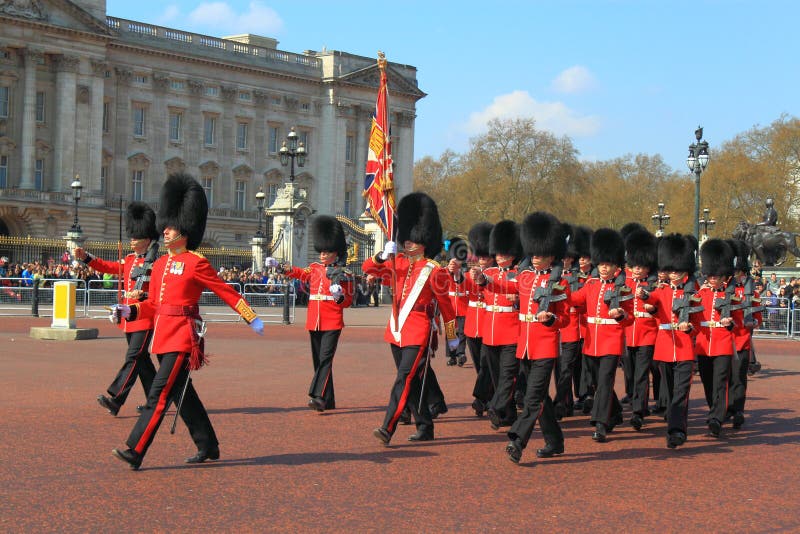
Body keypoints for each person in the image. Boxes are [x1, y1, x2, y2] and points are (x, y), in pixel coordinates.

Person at [108, 173, 264, 470]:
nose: (164, 231)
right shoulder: (162, 263)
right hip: (163, 336)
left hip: (182, 336)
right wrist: (130, 312)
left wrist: (250, 316)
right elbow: (153, 304)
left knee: (159, 393)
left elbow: (224, 290)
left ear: (185, 230)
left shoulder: (197, 262)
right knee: (183, 394)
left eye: (171, 227)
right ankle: (208, 445)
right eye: (165, 226)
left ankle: (135, 449)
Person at [363, 192, 458, 445]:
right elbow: (367, 269)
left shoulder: (434, 270)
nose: (407, 242)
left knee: (403, 377)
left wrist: (453, 342)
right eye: (406, 237)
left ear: (424, 240)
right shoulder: (398, 263)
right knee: (412, 381)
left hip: (419, 330)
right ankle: (425, 426)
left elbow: (447, 308)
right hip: (396, 329)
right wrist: (382, 256)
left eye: (413, 238)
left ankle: (388, 426)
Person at [480, 212, 569, 464]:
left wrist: (551, 319)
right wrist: (484, 279)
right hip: (525, 346)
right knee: (541, 398)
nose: (536, 257)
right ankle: (555, 441)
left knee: (532, 399)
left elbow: (565, 319)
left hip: (545, 347)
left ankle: (517, 441)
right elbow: (507, 286)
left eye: (541, 254)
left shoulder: (560, 282)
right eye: (534, 253)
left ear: (552, 254)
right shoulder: (526, 275)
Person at [74, 202, 160, 417]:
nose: (132, 240)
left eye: (136, 236)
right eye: (132, 236)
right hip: (128, 318)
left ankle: (116, 398)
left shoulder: (157, 262)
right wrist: (86, 257)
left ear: (147, 238)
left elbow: (160, 291)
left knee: (133, 357)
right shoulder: (130, 260)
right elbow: (107, 267)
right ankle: (156, 401)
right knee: (142, 363)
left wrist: (144, 295)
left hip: (146, 317)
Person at [267, 215, 353, 412]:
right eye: (321, 251)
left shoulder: (343, 273)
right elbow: (299, 273)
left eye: (326, 252)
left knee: (325, 360)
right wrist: (278, 266)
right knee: (319, 361)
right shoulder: (314, 268)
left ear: (335, 253)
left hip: (332, 321)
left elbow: (347, 302)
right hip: (314, 320)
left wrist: (339, 296)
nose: (322, 255)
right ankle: (328, 400)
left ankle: (318, 396)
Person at [638, 234, 702, 448]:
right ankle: (675, 425)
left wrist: (690, 328)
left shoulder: (694, 291)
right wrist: (644, 298)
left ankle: (676, 431)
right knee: (669, 391)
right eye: (671, 270)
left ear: (686, 270)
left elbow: (699, 321)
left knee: (681, 393)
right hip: (665, 347)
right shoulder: (662, 289)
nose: (673, 274)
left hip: (684, 348)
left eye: (678, 271)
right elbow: (653, 299)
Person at [569, 228, 633, 443]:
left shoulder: (622, 288)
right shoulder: (591, 285)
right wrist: (559, 289)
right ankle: (614, 414)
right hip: (591, 342)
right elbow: (575, 299)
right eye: (601, 264)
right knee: (597, 383)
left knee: (605, 383)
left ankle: (600, 423)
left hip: (611, 342)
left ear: (616, 266)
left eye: (608, 264)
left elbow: (630, 318)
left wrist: (621, 314)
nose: (604, 268)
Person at [471, 220, 522, 431]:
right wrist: (458, 277)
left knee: (508, 376)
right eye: (498, 252)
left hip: (511, 332)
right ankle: (508, 415)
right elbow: (472, 290)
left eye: (504, 252)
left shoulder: (520, 273)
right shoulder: (490, 273)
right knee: (496, 375)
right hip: (490, 332)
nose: (499, 256)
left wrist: (517, 299)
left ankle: (497, 406)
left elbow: (514, 288)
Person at [694, 239, 741, 438]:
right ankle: (714, 409)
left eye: (717, 276)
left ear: (724, 276)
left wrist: (729, 323)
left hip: (722, 343)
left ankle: (716, 418)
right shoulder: (700, 294)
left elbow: (738, 322)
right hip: (703, 343)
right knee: (707, 382)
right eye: (711, 275)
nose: (713, 279)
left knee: (720, 381)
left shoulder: (733, 295)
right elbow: (695, 318)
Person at [622, 228, 659, 431]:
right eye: (634, 265)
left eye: (641, 266)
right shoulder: (624, 281)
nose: (637, 269)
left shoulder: (653, 284)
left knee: (642, 374)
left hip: (647, 332)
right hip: (628, 332)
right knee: (629, 372)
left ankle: (638, 411)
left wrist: (652, 308)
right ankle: (636, 400)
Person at [554, 224, 591, 420]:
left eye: (568, 257)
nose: (565, 261)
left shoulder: (581, 276)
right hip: (561, 327)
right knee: (562, 367)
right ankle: (564, 402)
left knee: (579, 367)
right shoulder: (554, 275)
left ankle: (584, 396)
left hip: (579, 326)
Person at [726, 239, 762, 429]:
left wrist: (754, 321)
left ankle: (737, 409)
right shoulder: (724, 289)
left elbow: (756, 314)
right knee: (724, 377)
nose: (736, 275)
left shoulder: (750, 290)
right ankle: (726, 408)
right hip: (725, 339)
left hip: (741, 340)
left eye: (738, 272)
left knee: (739, 377)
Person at [444, 237, 469, 367]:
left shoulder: (466, 271)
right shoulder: (446, 270)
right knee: (451, 332)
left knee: (462, 332)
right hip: (450, 307)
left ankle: (461, 354)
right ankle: (452, 356)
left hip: (463, 306)